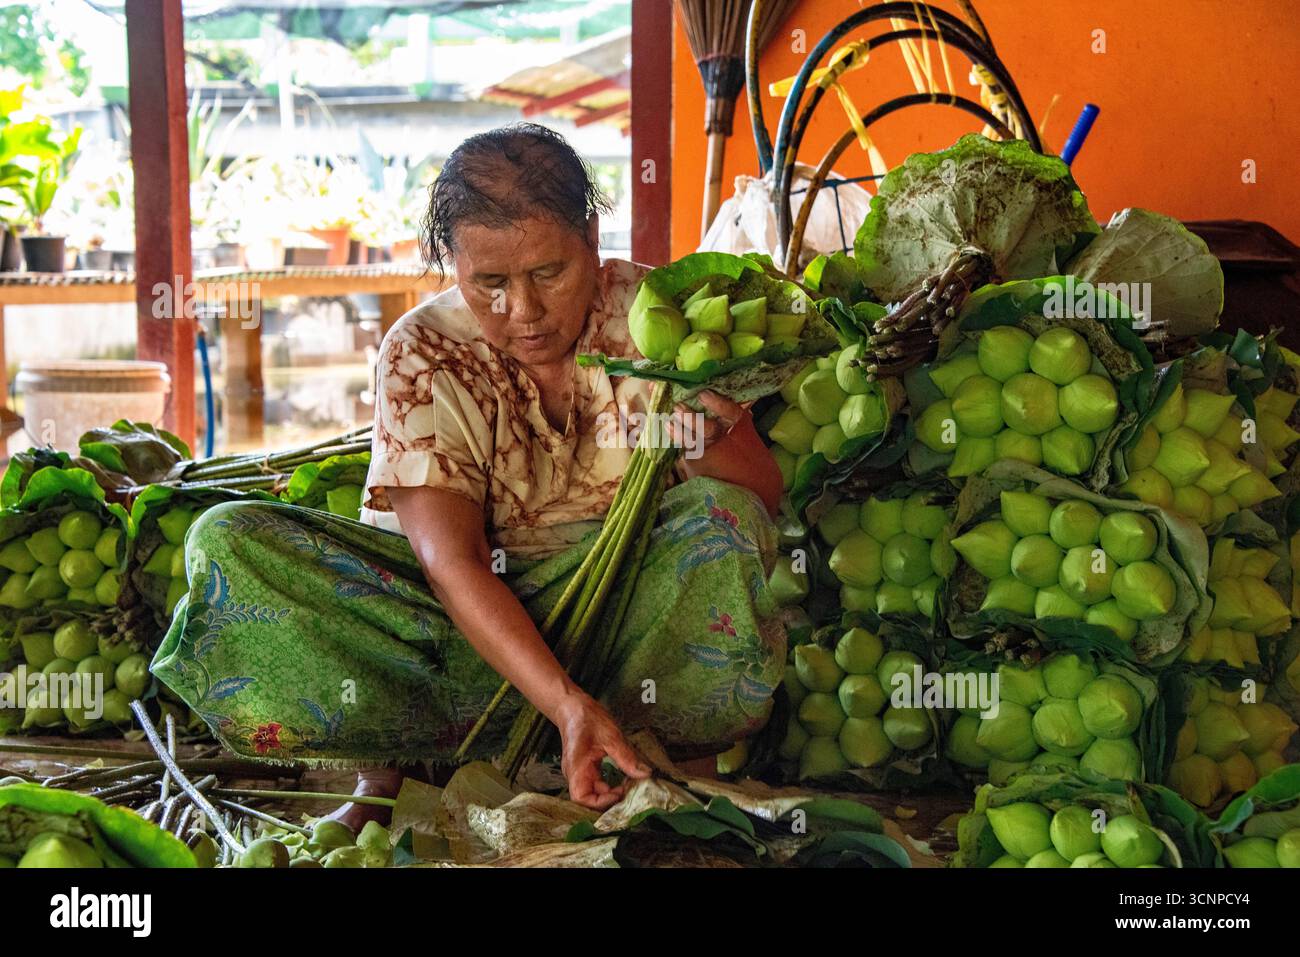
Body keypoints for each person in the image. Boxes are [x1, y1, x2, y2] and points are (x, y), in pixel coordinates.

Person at [151, 124, 786, 825]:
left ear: (592, 239)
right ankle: (384, 778)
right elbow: (451, 561)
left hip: (621, 628)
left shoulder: (659, 317)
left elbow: (760, 501)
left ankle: (668, 768)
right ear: (451, 264)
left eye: (550, 273)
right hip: (451, 629)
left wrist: (707, 434)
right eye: (490, 283)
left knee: (726, 523)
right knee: (229, 539)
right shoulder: (423, 353)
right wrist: (564, 702)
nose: (525, 310)